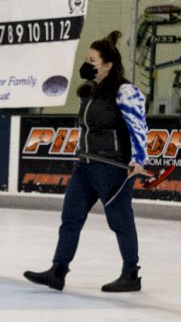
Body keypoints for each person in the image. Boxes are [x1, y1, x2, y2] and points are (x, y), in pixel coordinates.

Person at [25, 31, 149, 293]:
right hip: (85, 166)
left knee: (120, 221)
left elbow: (139, 127)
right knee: (70, 216)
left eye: (92, 59)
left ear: (107, 64)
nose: (87, 62)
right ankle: (58, 270)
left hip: (113, 168)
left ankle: (131, 274)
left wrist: (139, 159)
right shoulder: (88, 91)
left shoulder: (125, 91)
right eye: (87, 58)